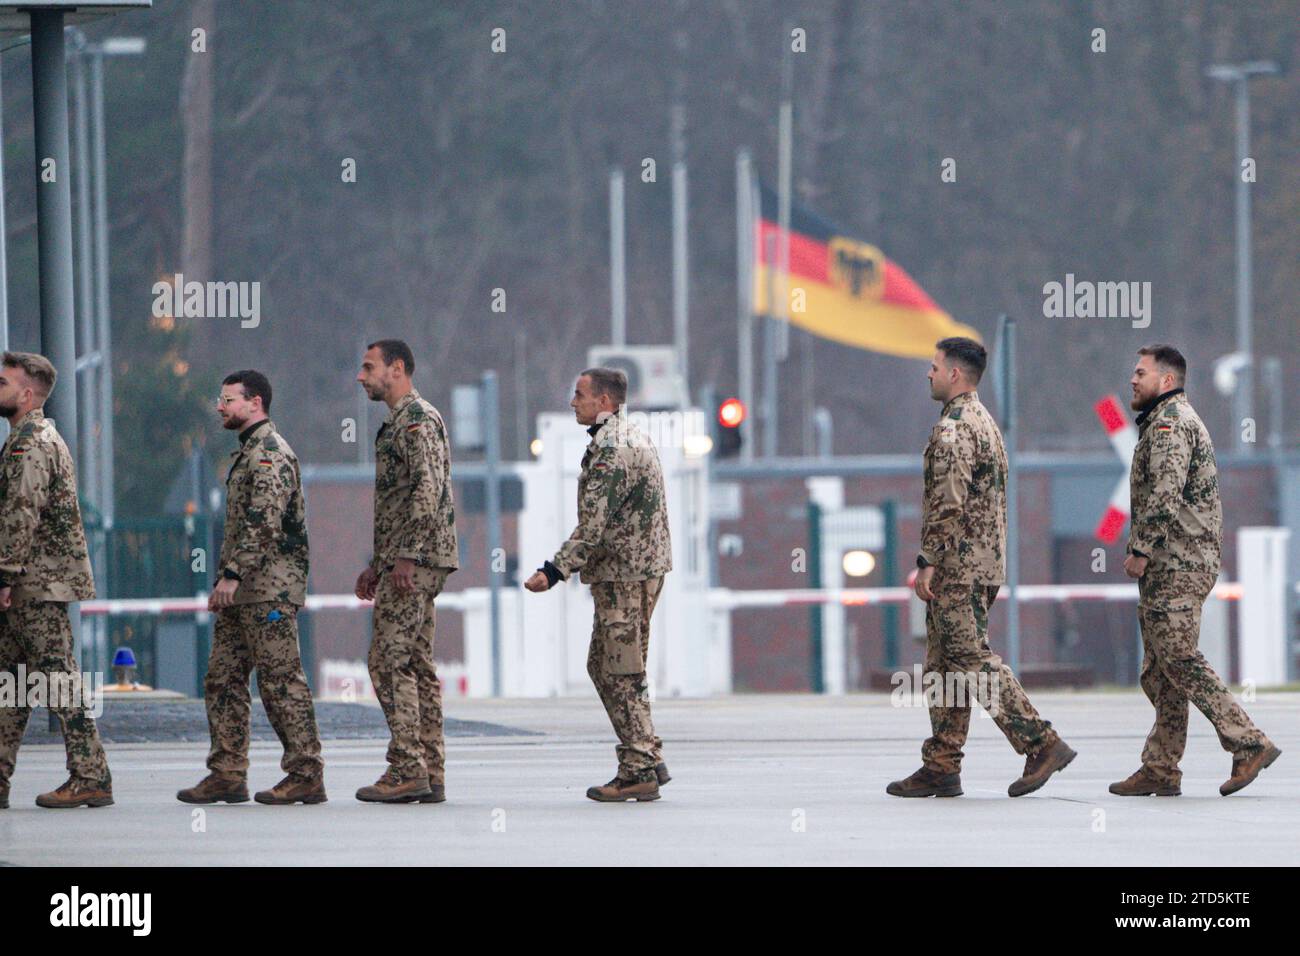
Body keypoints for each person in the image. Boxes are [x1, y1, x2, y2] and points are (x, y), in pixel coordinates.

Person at [888, 337, 1075, 799]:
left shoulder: (954, 427)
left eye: (934, 367)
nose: (928, 374)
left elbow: (949, 501)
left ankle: (1041, 742)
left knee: (969, 659)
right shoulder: (983, 420)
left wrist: (929, 561)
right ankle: (941, 765)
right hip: (981, 563)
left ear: (954, 373)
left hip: (959, 566)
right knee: (944, 666)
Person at [1111, 344, 1279, 797]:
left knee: (1179, 658)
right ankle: (1161, 767)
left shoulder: (1169, 424)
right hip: (1175, 560)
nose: (1133, 379)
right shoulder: (1166, 421)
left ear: (1166, 381)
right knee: (1161, 668)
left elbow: (1165, 492)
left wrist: (1141, 549)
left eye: (1141, 372)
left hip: (1178, 561)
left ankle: (1248, 742)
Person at [177, 370, 325, 806]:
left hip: (269, 590)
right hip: (244, 592)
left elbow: (264, 523)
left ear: (254, 402)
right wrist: (230, 581)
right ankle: (226, 772)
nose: (220, 407)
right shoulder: (247, 453)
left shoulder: (269, 454)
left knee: (280, 681)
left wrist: (232, 575)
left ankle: (305, 773)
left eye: (228, 400)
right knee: (221, 678)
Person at [525, 368, 672, 802]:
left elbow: (593, 526)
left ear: (604, 400)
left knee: (620, 670)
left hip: (625, 575)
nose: (573, 402)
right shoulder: (630, 436)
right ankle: (645, 754)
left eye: (580, 395)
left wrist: (553, 571)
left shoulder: (611, 447)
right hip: (636, 570)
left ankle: (639, 766)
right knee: (608, 665)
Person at [0, 351, 112, 809]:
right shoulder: (28, 437)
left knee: (58, 681)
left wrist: (5, 574)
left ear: (27, 394)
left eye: (3, 382)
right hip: (32, 582)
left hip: (35, 585)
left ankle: (91, 775)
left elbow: (20, 511)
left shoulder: (32, 442)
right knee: (11, 685)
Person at [354, 340, 458, 803]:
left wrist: (407, 557)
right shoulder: (401, 422)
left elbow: (426, 490)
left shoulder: (416, 421)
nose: (362, 376)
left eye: (369, 367)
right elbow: (400, 503)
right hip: (409, 560)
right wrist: (378, 565)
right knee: (415, 663)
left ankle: (408, 767)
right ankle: (429, 770)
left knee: (386, 659)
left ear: (397, 369)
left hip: (416, 561)